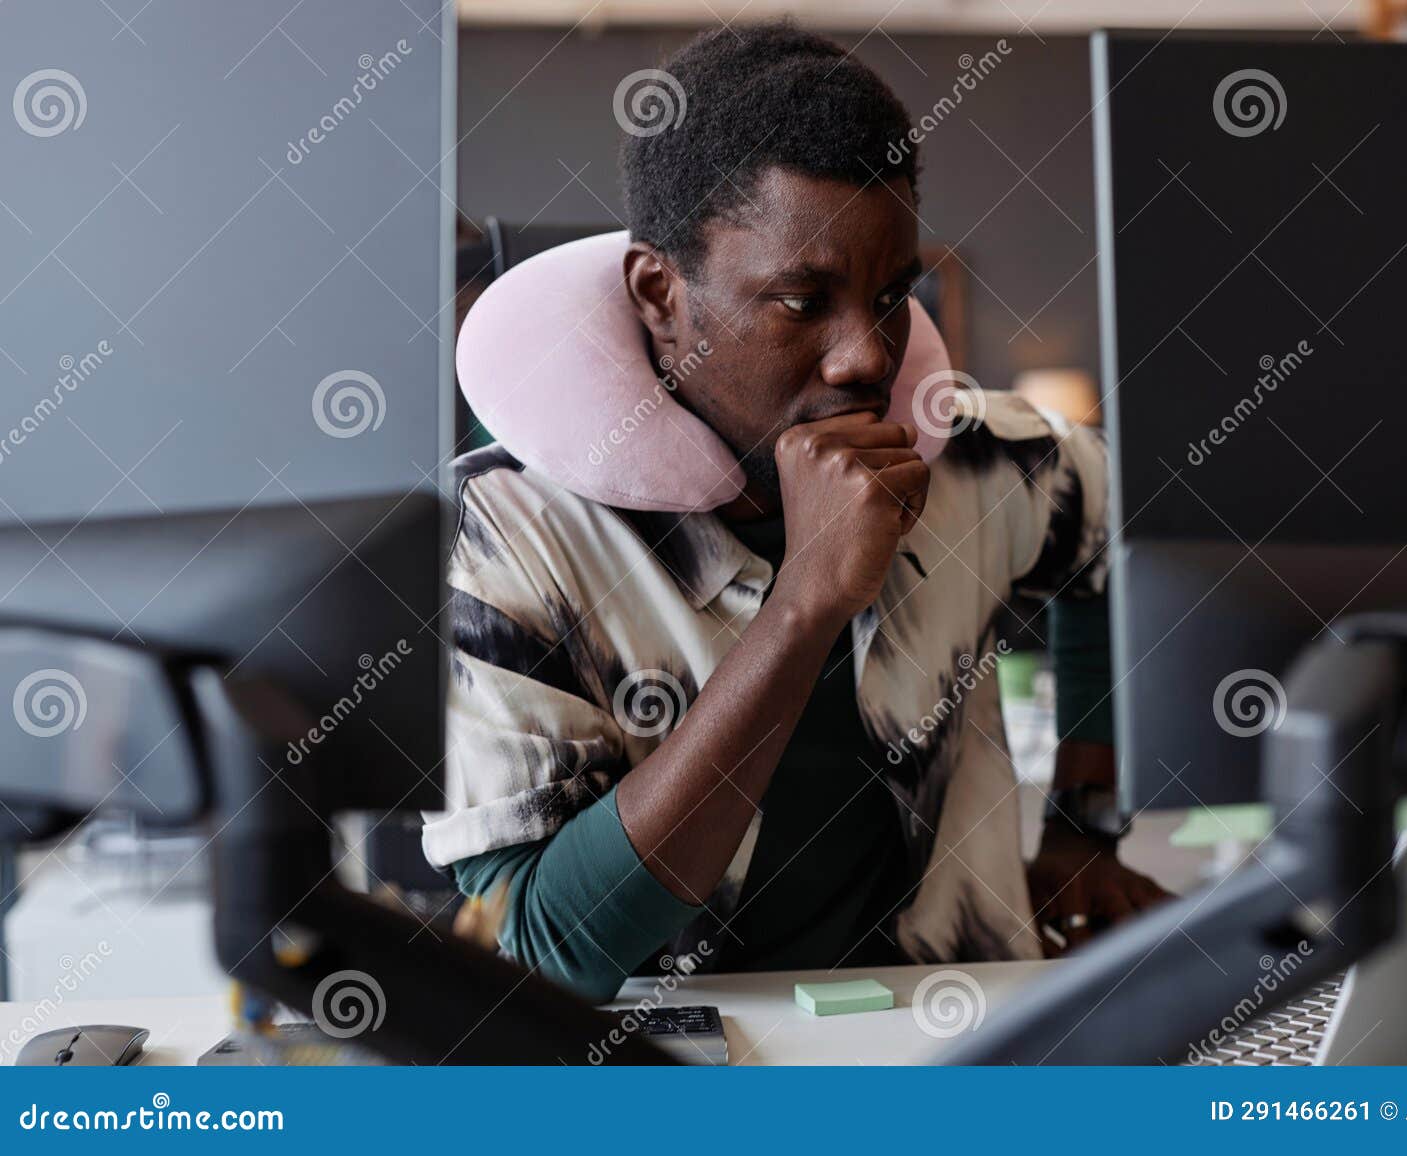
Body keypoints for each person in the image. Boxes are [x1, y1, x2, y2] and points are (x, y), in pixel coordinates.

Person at [424, 22, 1166, 1003]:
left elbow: (1129, 548)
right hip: (677, 1067)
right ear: (659, 292)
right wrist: (802, 604)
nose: (866, 354)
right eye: (799, 300)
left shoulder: (974, 455)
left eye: (891, 294)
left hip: (960, 1040)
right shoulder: (504, 535)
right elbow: (548, 942)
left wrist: (1083, 819)